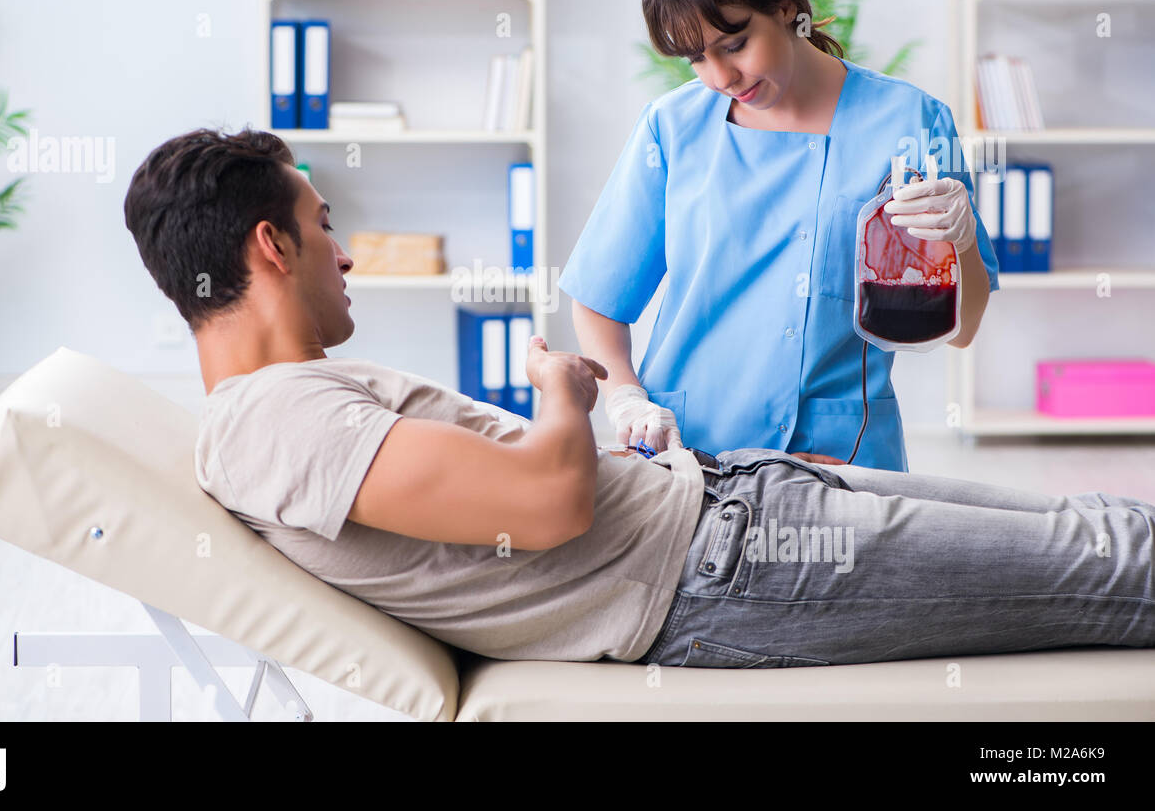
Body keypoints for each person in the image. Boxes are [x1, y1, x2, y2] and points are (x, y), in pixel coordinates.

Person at [122, 128, 1155, 668]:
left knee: (1107, 529)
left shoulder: (288, 401)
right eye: (322, 222)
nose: (342, 251)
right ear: (270, 245)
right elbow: (546, 507)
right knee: (1114, 566)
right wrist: (563, 390)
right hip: (720, 571)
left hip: (726, 502)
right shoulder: (269, 419)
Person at [559, 0, 1001, 472]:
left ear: (788, 11)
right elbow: (600, 300)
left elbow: (961, 331)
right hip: (692, 457)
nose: (721, 77)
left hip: (844, 459)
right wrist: (625, 397)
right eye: (696, 58)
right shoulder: (670, 130)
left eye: (735, 43)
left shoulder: (908, 123)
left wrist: (959, 241)